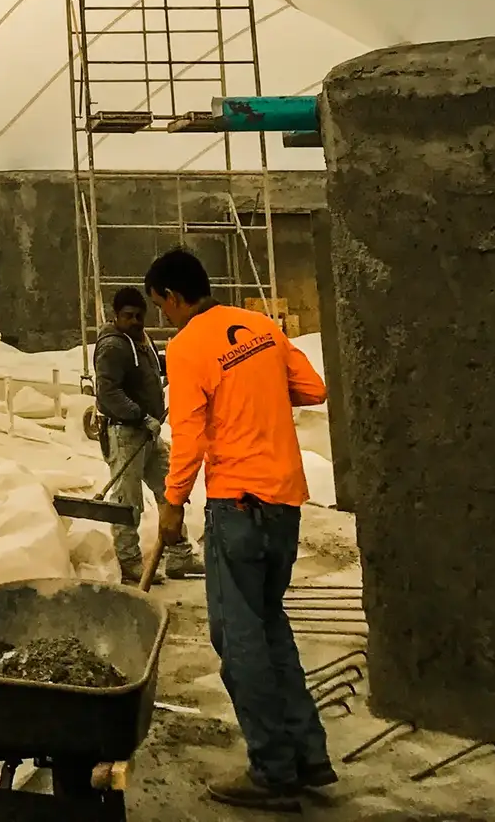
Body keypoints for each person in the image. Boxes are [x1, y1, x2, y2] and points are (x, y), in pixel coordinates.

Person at [145, 247, 335, 813]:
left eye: (162, 307)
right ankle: (307, 757)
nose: (164, 317)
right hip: (285, 503)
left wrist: (173, 501)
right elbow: (314, 389)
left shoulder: (186, 347)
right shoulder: (260, 326)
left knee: (239, 639)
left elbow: (189, 434)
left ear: (174, 298)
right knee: (271, 625)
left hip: (237, 507)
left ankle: (273, 772)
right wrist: (258, 390)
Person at [93, 285, 200, 584]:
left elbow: (151, 368)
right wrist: (140, 415)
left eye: (140, 315)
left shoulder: (141, 339)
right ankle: (129, 563)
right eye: (128, 316)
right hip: (125, 432)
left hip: (148, 432)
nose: (135, 321)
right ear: (116, 315)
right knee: (128, 501)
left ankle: (180, 555)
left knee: (170, 489)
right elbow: (108, 393)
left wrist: (177, 362)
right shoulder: (113, 347)